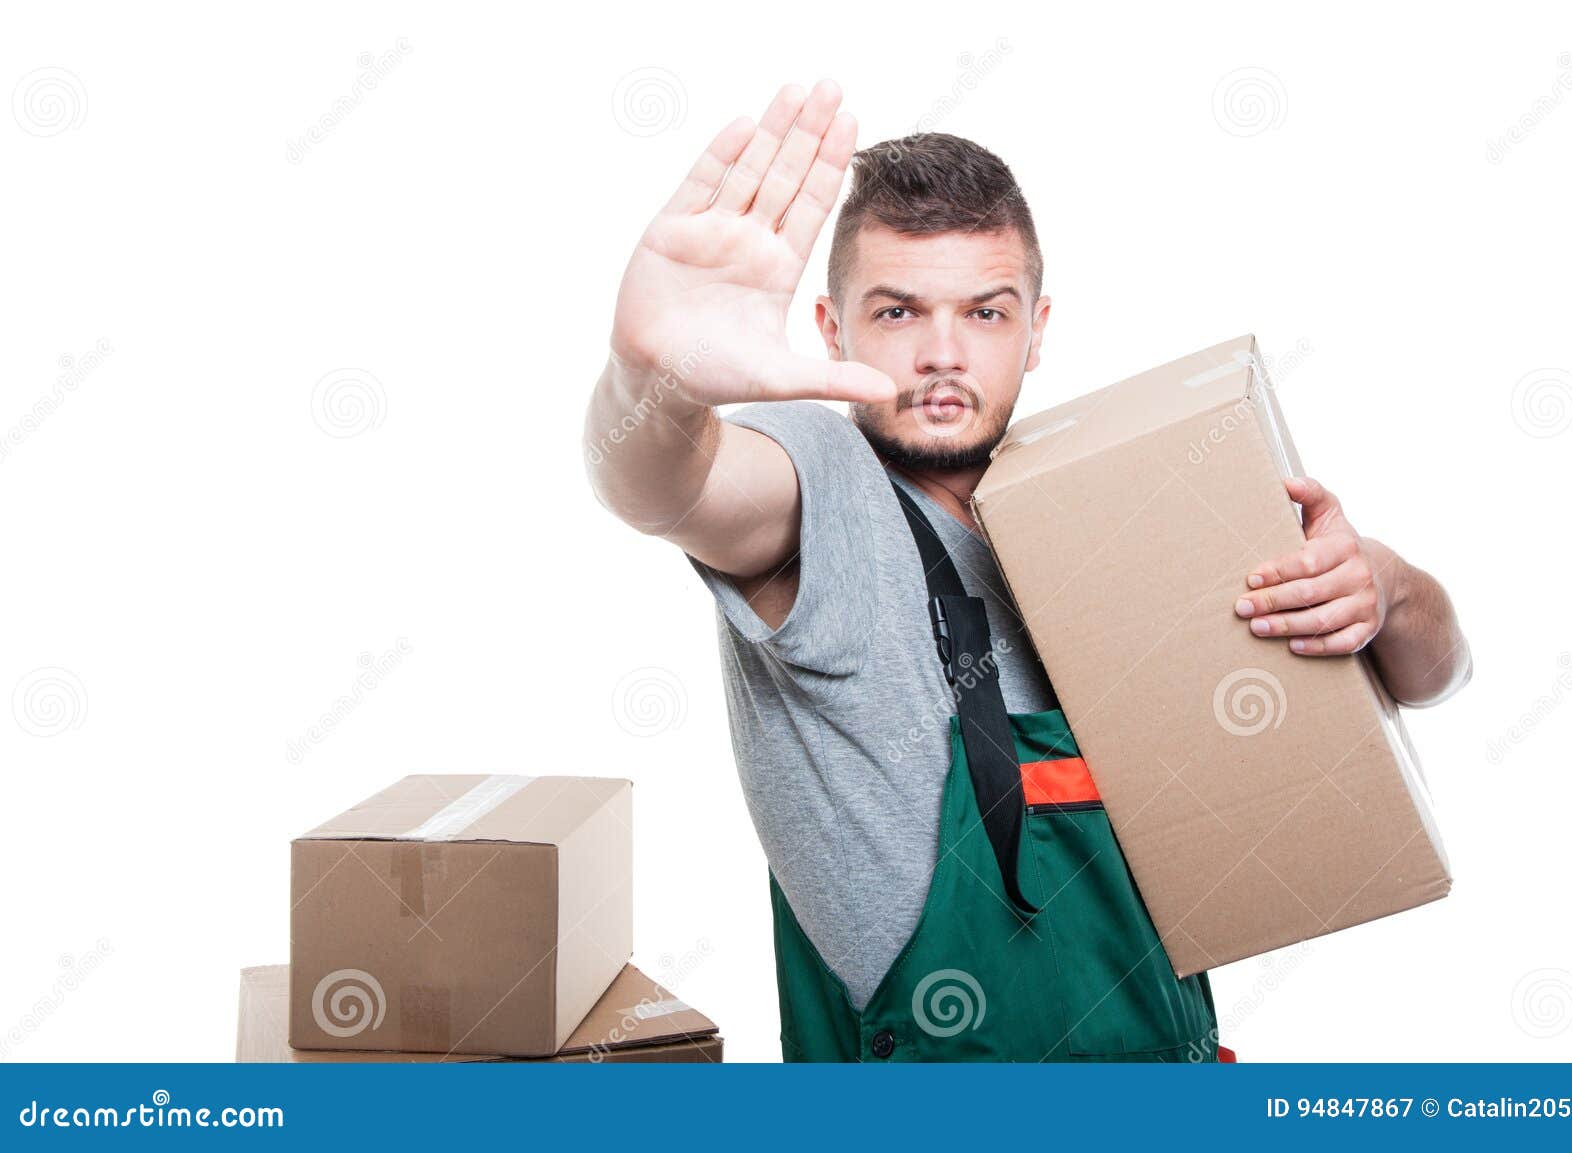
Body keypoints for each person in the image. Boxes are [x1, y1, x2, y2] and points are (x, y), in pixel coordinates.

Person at [584, 80, 1472, 1062]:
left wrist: (1378, 589)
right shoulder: (826, 487)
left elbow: (1430, 677)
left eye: (985, 312)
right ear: (832, 329)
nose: (941, 353)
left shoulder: (1096, 511)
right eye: (897, 311)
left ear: (1036, 329)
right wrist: (649, 379)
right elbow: (668, 488)